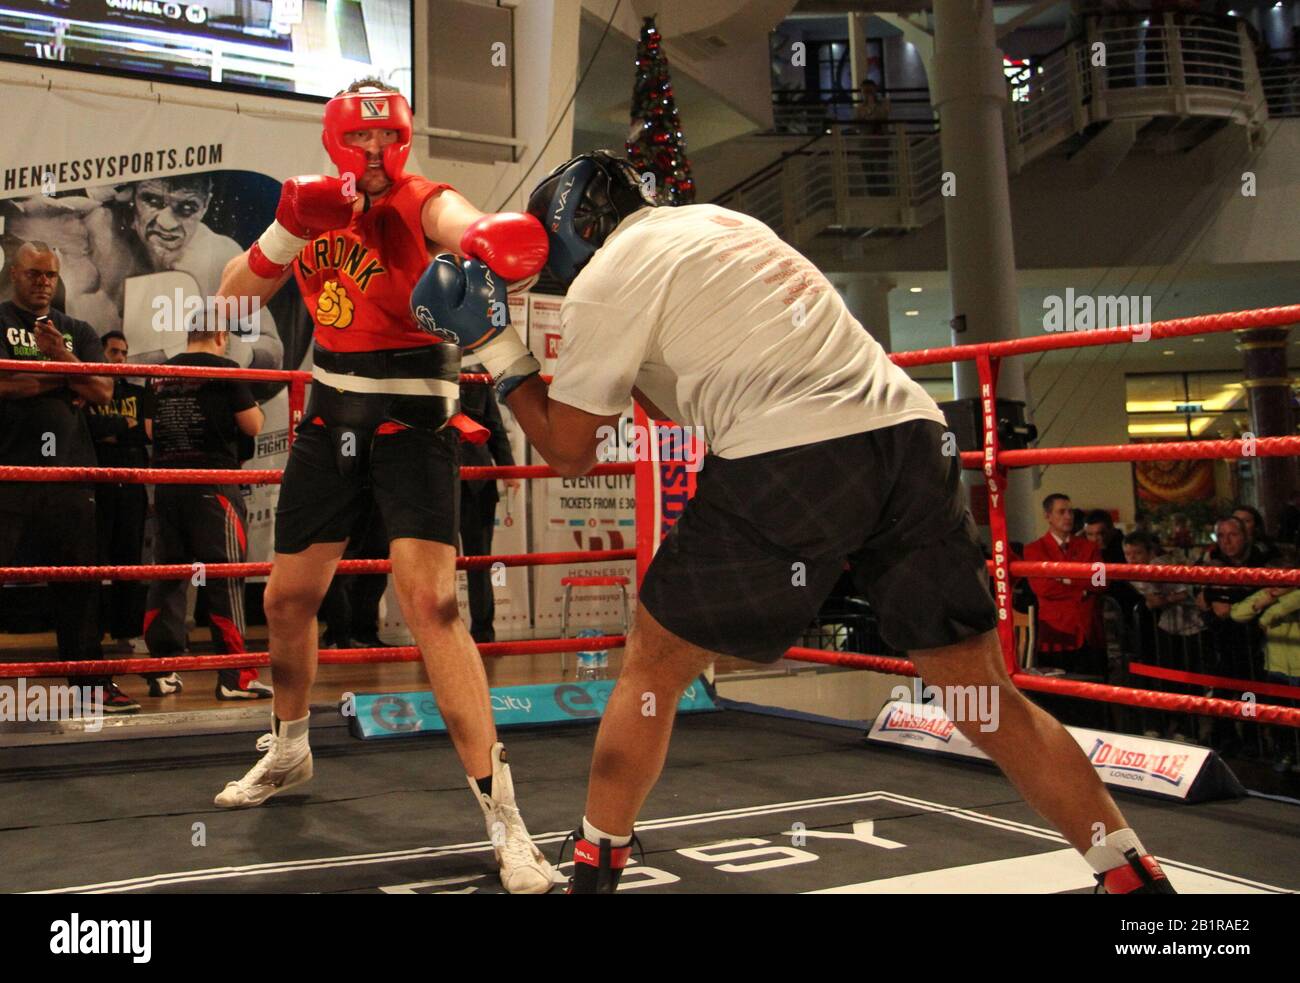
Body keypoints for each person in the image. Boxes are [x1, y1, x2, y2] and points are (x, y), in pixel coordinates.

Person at [411, 150, 1176, 895]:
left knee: (653, 663)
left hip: (794, 452)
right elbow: (678, 399)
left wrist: (494, 345)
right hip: (910, 436)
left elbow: (570, 450)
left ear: (572, 234)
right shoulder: (723, 226)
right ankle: (1130, 872)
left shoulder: (608, 280)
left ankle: (595, 870)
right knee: (979, 690)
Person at [209, 80, 554, 894]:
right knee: (286, 602)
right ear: (333, 142)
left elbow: (457, 220)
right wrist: (289, 230)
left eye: (385, 139)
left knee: (432, 606)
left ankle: (506, 819)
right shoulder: (311, 206)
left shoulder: (421, 198)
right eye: (357, 141)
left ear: (402, 139)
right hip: (330, 426)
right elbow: (229, 300)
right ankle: (289, 746)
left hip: (414, 431)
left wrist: (485, 238)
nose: (371, 155)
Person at [0, 242, 131, 711]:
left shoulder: (77, 329)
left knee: (79, 582)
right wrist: (63, 373)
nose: (43, 283)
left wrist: (62, 358)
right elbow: (4, 384)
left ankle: (90, 684)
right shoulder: (0, 321)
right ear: (15, 274)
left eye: (50, 276)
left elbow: (101, 389)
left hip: (71, 477)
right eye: (34, 274)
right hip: (9, 476)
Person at [143, 309, 267, 699]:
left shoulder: (160, 373)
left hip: (167, 485)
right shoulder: (226, 369)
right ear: (219, 337)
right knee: (224, 578)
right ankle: (234, 677)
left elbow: (149, 430)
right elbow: (253, 425)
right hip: (213, 487)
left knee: (168, 577)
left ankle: (162, 671)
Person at [85, 330, 150, 653]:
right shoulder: (85, 390)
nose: (120, 358)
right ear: (100, 353)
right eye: (113, 352)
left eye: (124, 352)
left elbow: (147, 434)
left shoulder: (136, 394)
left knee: (129, 563)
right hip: (96, 487)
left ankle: (127, 630)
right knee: (93, 563)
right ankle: (90, 634)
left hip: (132, 486)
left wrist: (117, 432)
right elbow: (88, 431)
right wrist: (125, 426)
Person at [459, 362, 520, 643]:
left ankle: (483, 631)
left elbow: (494, 425)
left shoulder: (477, 371)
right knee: (436, 563)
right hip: (435, 479)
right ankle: (440, 633)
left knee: (480, 558)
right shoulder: (423, 364)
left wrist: (508, 470)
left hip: (478, 481)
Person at [1024, 494, 1106, 678]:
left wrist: (1065, 580)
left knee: (1096, 692)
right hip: (1057, 635)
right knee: (1058, 699)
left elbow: (1101, 582)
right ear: (1048, 516)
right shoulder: (1034, 550)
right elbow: (1043, 588)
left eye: (1070, 511)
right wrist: (1083, 587)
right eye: (1061, 512)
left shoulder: (1089, 547)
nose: (1068, 516)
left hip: (1089, 633)